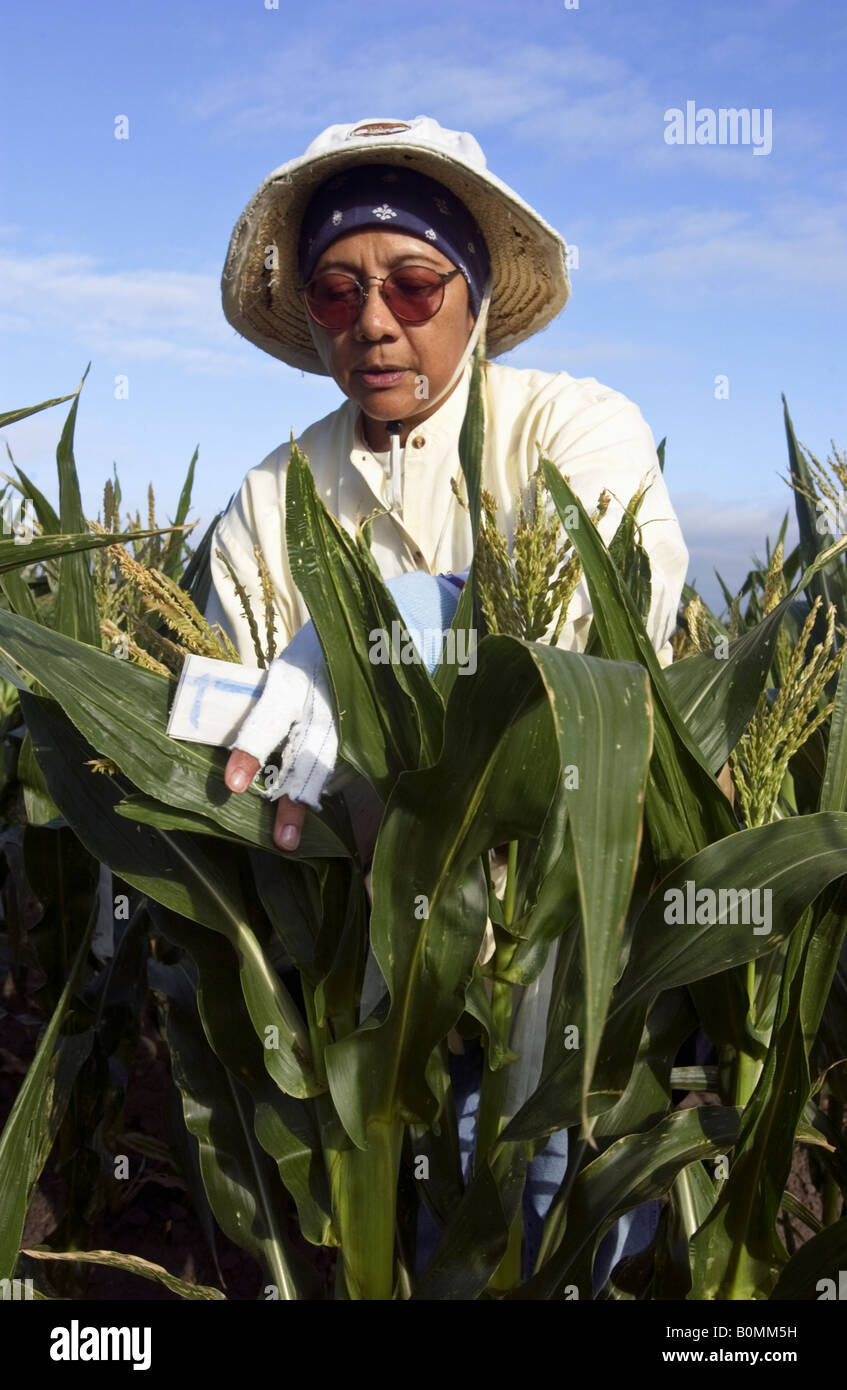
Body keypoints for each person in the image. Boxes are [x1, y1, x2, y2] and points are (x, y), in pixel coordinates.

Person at [203, 115, 689, 1288]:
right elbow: (228, 727)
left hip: (559, 957)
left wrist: (380, 635)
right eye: (335, 290)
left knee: (550, 1229)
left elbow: (598, 644)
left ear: (470, 291)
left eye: (414, 282)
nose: (375, 319)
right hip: (369, 985)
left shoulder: (573, 429)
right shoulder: (270, 503)